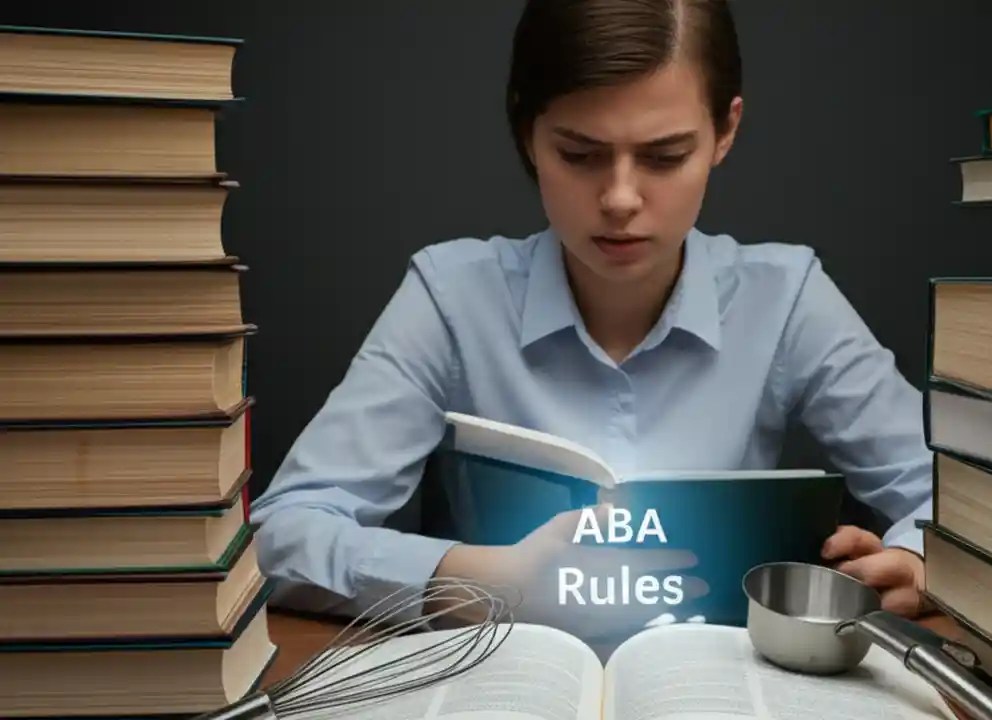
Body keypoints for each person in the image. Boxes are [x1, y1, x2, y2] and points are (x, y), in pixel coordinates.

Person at [250, 0, 934, 637]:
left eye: (666, 156)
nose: (619, 198)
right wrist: (484, 581)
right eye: (579, 154)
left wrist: (917, 562)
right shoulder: (451, 296)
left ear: (726, 130)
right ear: (526, 130)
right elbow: (279, 537)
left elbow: (954, 503)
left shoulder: (785, 298)